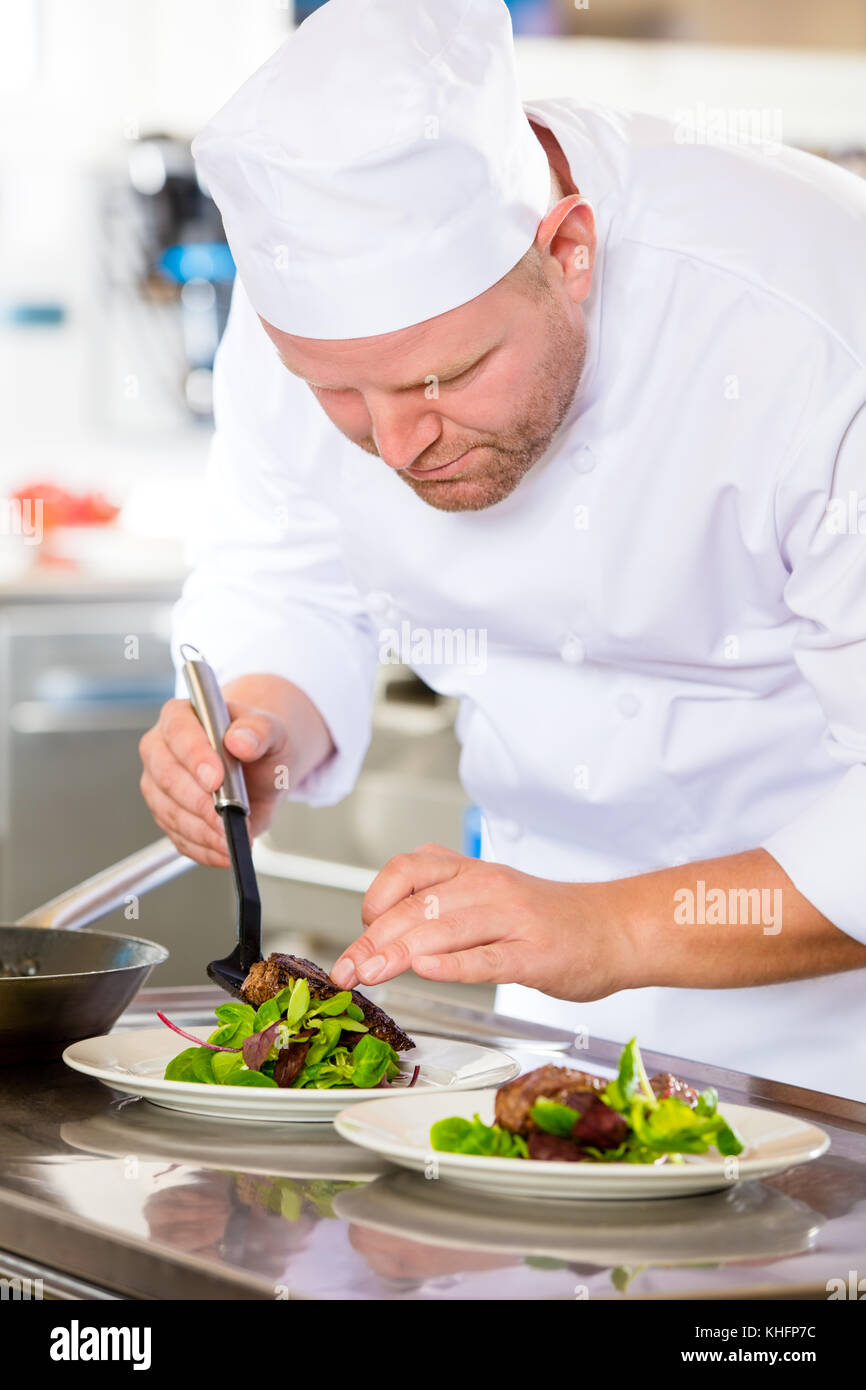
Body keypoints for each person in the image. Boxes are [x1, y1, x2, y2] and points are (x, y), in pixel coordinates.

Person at [139, 0, 866, 1098]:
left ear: (566, 251)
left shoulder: (812, 318)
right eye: (337, 392)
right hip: (546, 1043)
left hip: (838, 1058)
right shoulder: (314, 308)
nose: (394, 442)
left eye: (442, 377)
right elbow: (284, 572)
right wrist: (253, 736)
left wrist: (604, 928)